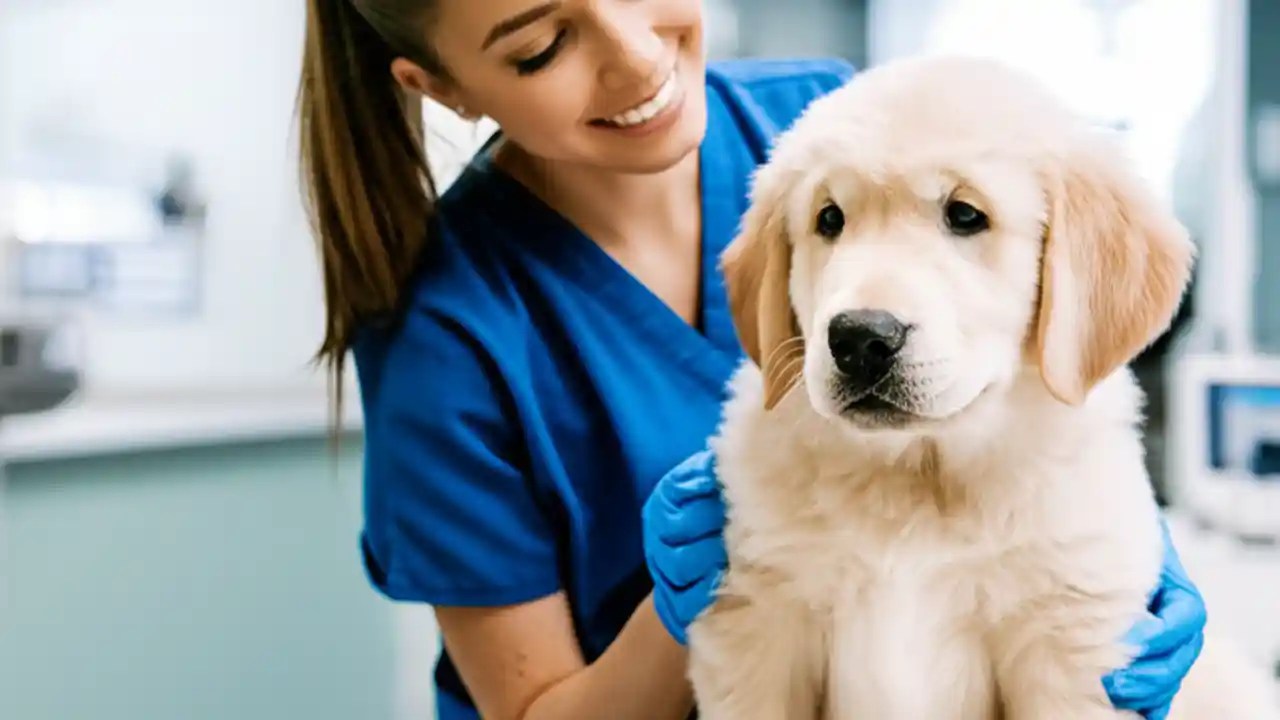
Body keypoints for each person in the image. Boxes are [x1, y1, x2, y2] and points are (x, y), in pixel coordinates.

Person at [296, 1, 1208, 718]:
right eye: (542, 46)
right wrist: (706, 595)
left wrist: (1101, 552)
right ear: (444, 86)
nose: (637, 57)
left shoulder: (824, 120)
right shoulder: (443, 336)